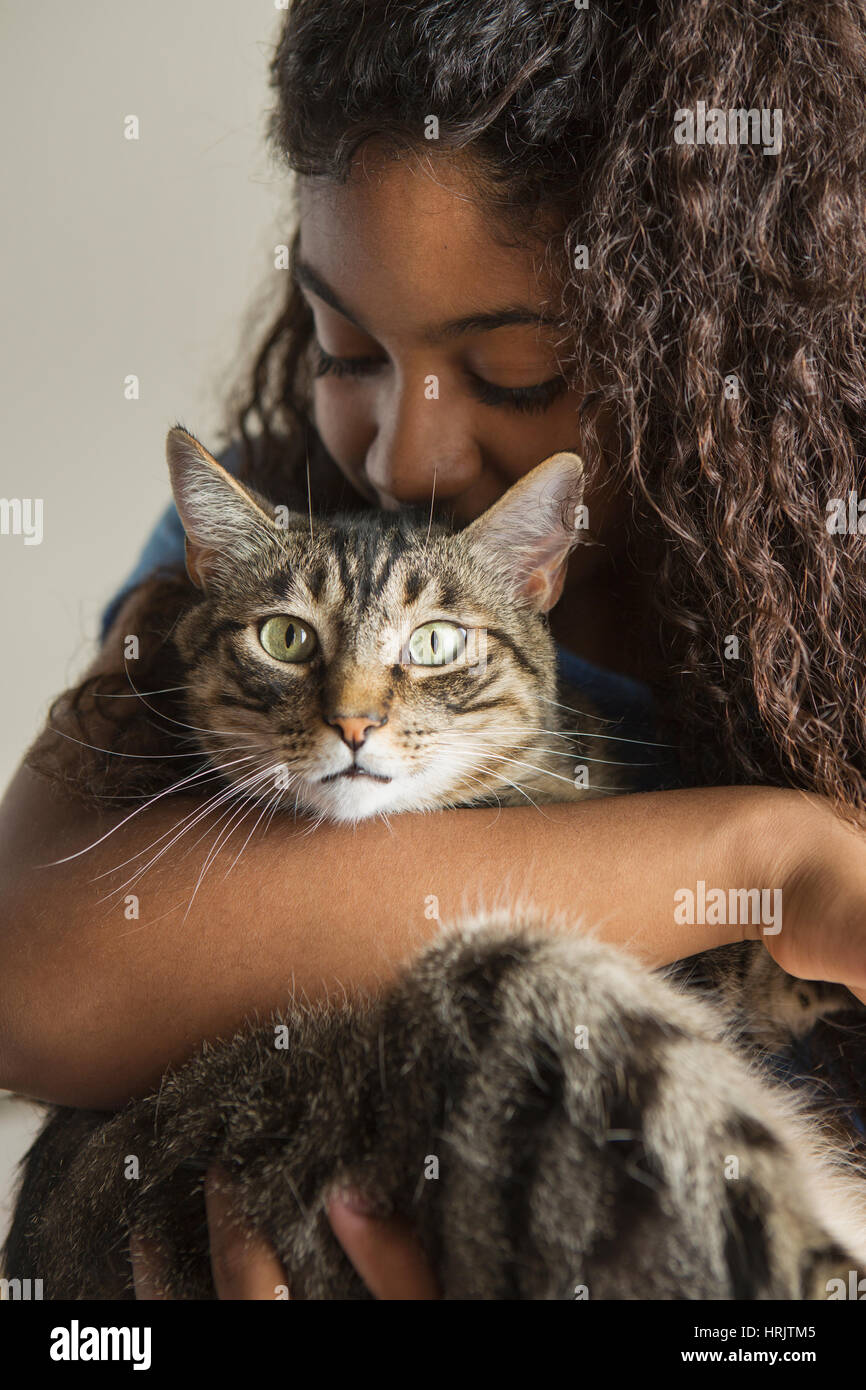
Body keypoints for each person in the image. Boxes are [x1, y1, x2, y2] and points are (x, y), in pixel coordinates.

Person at [2, 0, 866, 1299]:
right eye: (345, 348)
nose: (406, 457)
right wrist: (775, 857)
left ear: (708, 326)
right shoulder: (261, 525)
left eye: (515, 372)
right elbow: (38, 967)